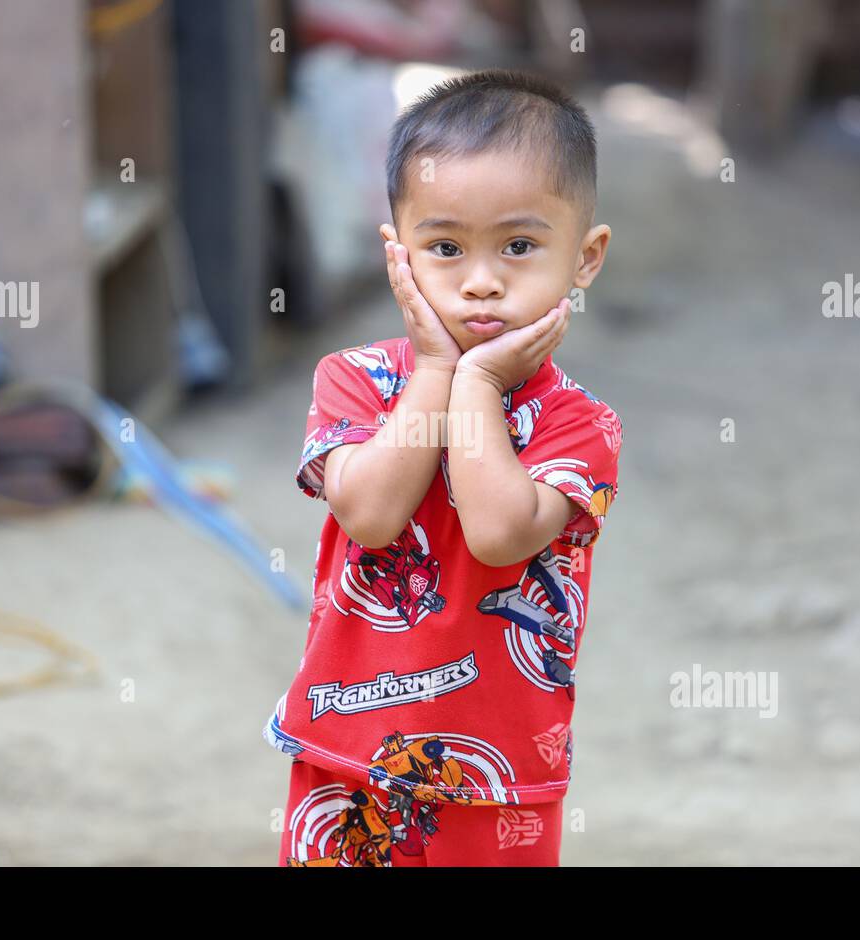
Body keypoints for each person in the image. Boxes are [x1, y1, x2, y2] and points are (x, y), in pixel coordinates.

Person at [266, 68, 622, 867]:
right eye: (446, 248)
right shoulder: (355, 380)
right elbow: (370, 515)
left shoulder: (579, 423)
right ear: (398, 255)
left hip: (498, 779)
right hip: (347, 752)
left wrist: (480, 384)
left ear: (586, 257)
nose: (481, 281)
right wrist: (436, 369)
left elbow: (498, 534)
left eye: (519, 246)